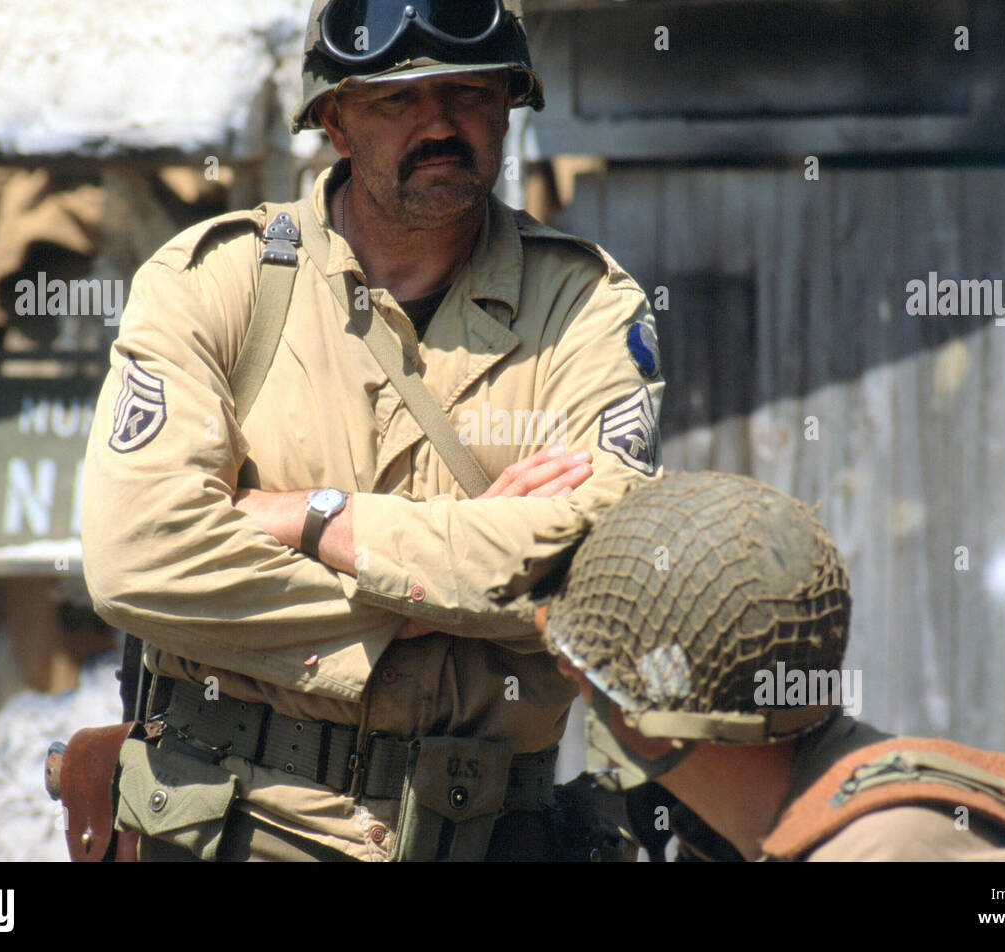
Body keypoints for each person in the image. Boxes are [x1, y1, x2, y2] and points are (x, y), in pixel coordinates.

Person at [80, 0, 665, 862]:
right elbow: (139, 558)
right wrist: (443, 595)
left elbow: (612, 570)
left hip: (494, 830)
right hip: (239, 826)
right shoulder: (217, 281)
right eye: (397, 99)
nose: (439, 122)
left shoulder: (583, 307)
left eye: (469, 93)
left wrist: (318, 520)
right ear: (334, 122)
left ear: (508, 105)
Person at [535, 471, 1005, 861]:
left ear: (648, 723)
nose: (570, 674)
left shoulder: (872, 849)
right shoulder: (754, 817)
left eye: (585, 671)